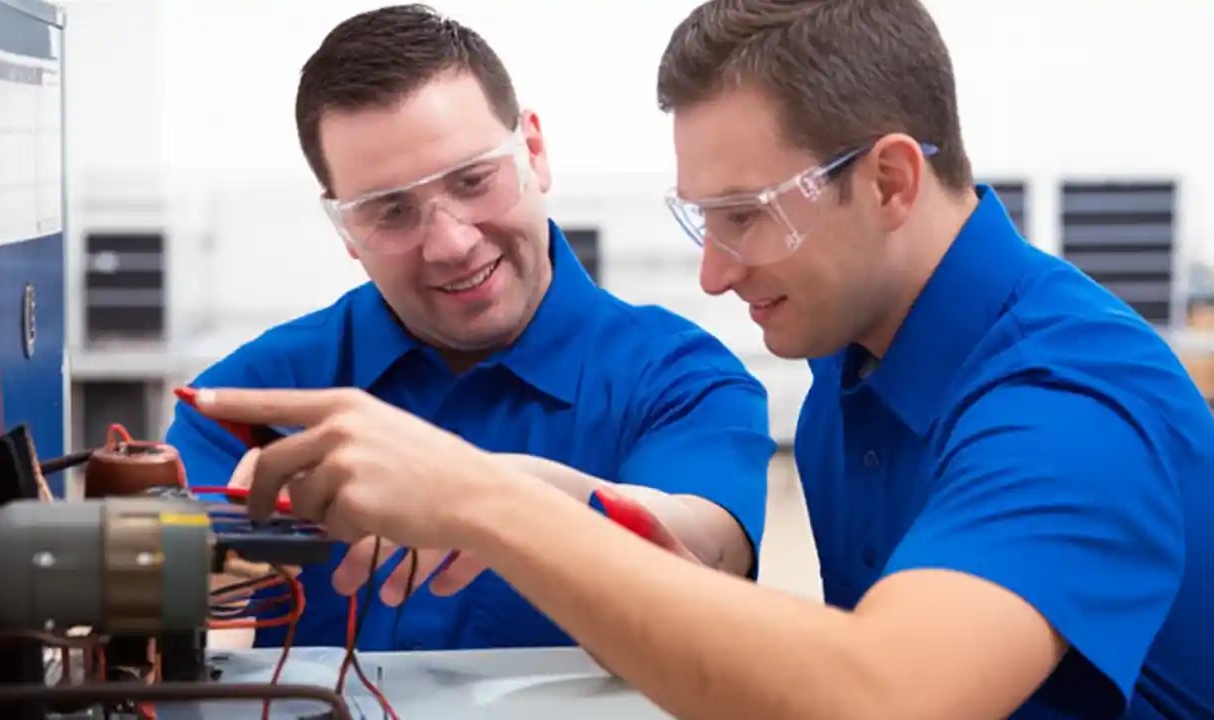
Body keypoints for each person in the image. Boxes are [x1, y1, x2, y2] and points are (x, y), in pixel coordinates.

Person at [191, 0, 1214, 717]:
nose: (713, 274)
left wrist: (481, 503)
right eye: (701, 219)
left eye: (744, 217)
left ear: (891, 181)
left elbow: (879, 695)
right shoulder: (850, 379)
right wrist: (544, 489)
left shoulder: (1067, 400)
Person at [165, 4, 775, 652]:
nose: (451, 244)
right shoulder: (252, 399)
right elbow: (162, 611)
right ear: (344, 229)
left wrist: (500, 499)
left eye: (474, 180)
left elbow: (704, 560)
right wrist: (211, 565)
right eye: (390, 211)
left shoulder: (680, 379)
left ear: (534, 151)